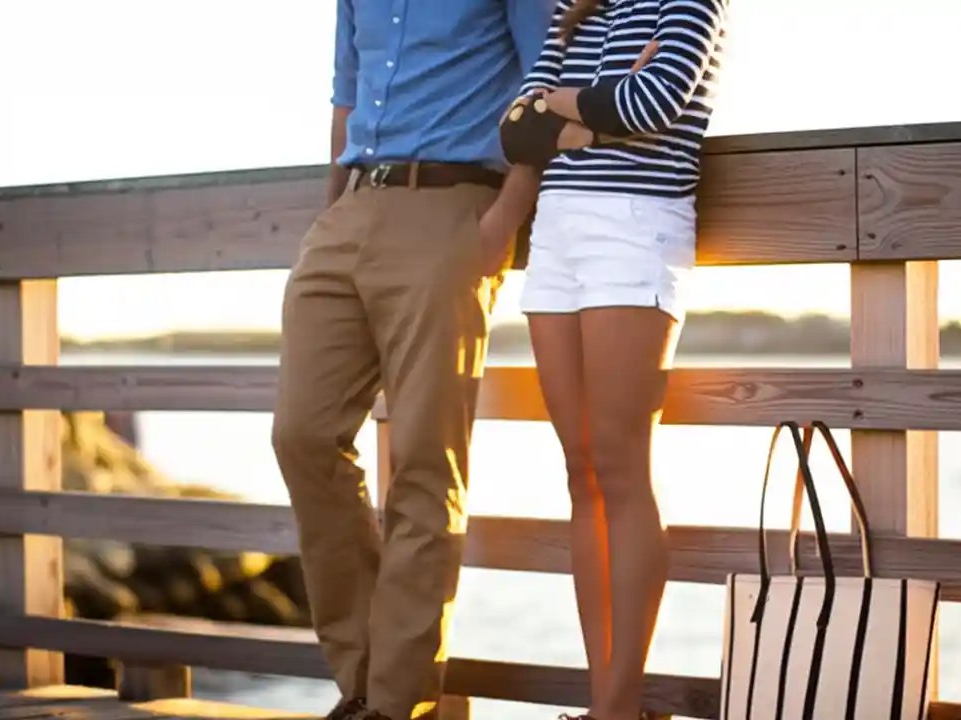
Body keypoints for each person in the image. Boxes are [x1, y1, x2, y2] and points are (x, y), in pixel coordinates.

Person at [270, 2, 553, 719]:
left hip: (453, 206)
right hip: (352, 209)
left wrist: (499, 227)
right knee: (301, 436)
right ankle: (365, 678)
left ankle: (394, 703)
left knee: (426, 462)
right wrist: (330, 211)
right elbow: (347, 93)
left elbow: (548, 83)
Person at [504, 1, 729, 719]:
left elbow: (653, 99)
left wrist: (561, 110)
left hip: (636, 226)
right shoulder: (572, 11)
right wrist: (591, 117)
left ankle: (617, 707)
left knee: (620, 461)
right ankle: (608, 703)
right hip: (557, 238)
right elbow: (516, 133)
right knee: (580, 468)